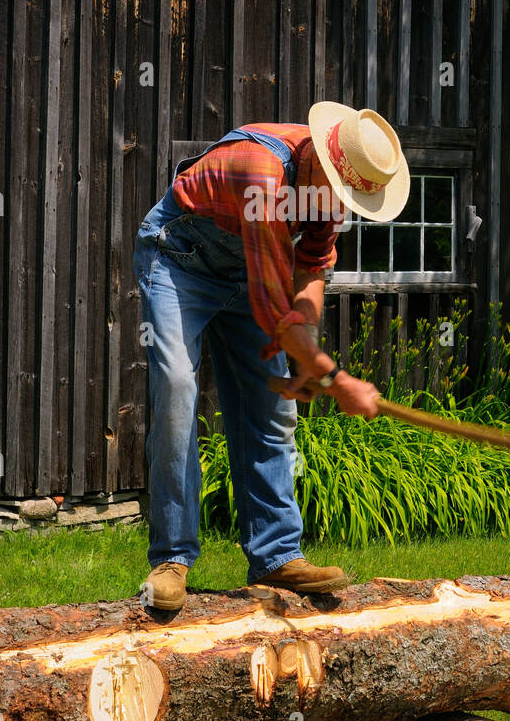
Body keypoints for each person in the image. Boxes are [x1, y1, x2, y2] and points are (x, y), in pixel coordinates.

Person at [134, 102, 411, 610]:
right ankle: (171, 558)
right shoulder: (261, 171)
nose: (339, 206)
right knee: (176, 386)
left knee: (272, 404)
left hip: (251, 275)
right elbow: (271, 308)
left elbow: (309, 272)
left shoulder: (325, 193)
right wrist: (333, 378)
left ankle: (276, 555)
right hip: (179, 260)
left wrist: (307, 352)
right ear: (317, 163)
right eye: (338, 191)